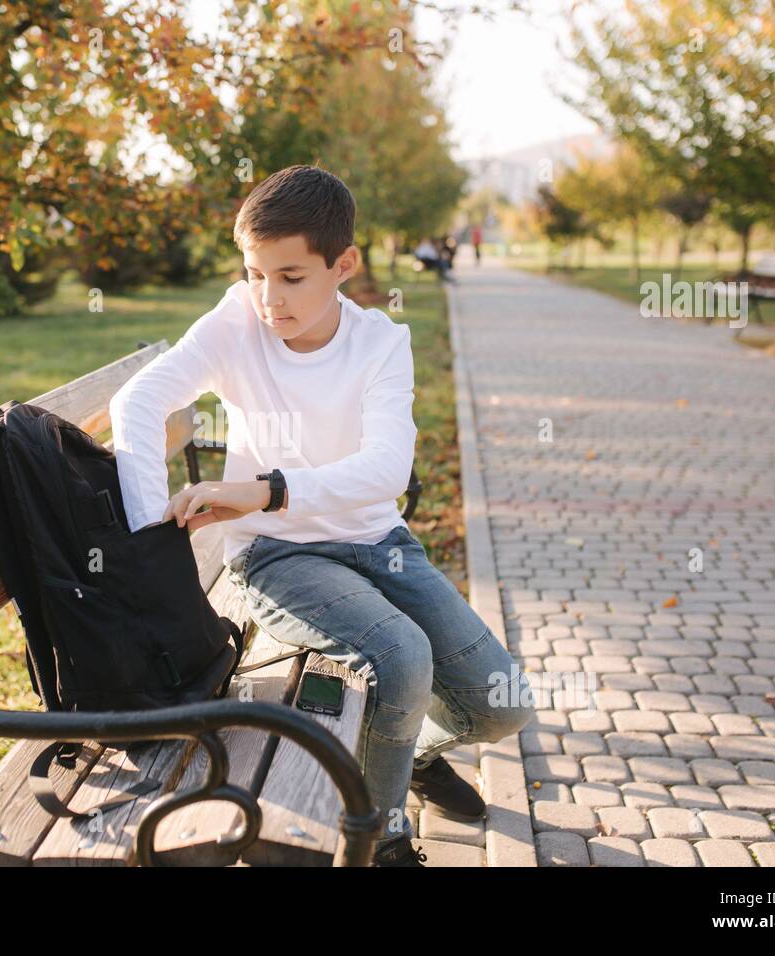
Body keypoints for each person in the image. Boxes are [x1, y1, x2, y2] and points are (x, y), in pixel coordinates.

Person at [108, 165, 535, 867]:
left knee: (502, 704)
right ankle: (379, 835)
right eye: (255, 273)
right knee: (401, 658)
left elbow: (387, 472)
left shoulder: (380, 345)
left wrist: (266, 488)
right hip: (273, 555)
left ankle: (415, 759)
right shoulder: (235, 322)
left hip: (377, 542)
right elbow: (138, 403)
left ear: (344, 265)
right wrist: (151, 537)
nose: (269, 297)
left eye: (291, 276)